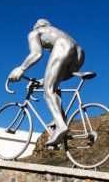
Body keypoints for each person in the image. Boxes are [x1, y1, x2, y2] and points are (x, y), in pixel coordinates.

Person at [8, 18, 85, 146]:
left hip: (64, 46)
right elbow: (55, 74)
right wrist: (41, 81)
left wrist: (21, 69)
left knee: (48, 91)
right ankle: (59, 120)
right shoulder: (55, 33)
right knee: (53, 86)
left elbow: (36, 54)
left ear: (37, 26)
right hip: (79, 53)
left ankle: (60, 125)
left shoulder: (35, 33)